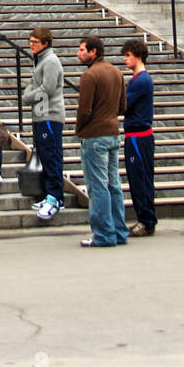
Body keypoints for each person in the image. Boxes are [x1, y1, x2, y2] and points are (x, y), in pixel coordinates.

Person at [75, 34, 128, 248]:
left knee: (97, 186)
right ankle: (119, 230)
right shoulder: (116, 72)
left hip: (95, 135)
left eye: (81, 50)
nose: (78, 54)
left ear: (93, 52)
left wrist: (79, 128)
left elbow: (84, 109)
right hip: (113, 132)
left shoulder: (90, 76)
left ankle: (104, 234)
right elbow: (123, 106)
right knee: (114, 184)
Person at [24, 25, 66, 222]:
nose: (31, 45)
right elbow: (35, 86)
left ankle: (55, 196)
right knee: (47, 155)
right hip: (41, 115)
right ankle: (52, 194)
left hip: (50, 115)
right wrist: (31, 94)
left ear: (45, 44)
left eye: (35, 42)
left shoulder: (49, 61)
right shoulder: (40, 61)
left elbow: (46, 89)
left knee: (52, 156)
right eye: (30, 42)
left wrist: (28, 97)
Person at [122, 38, 157, 237]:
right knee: (137, 178)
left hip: (138, 135)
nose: (125, 59)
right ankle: (144, 217)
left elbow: (124, 104)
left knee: (140, 179)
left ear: (139, 56)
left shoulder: (141, 80)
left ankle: (147, 219)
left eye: (128, 55)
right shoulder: (137, 80)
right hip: (136, 134)